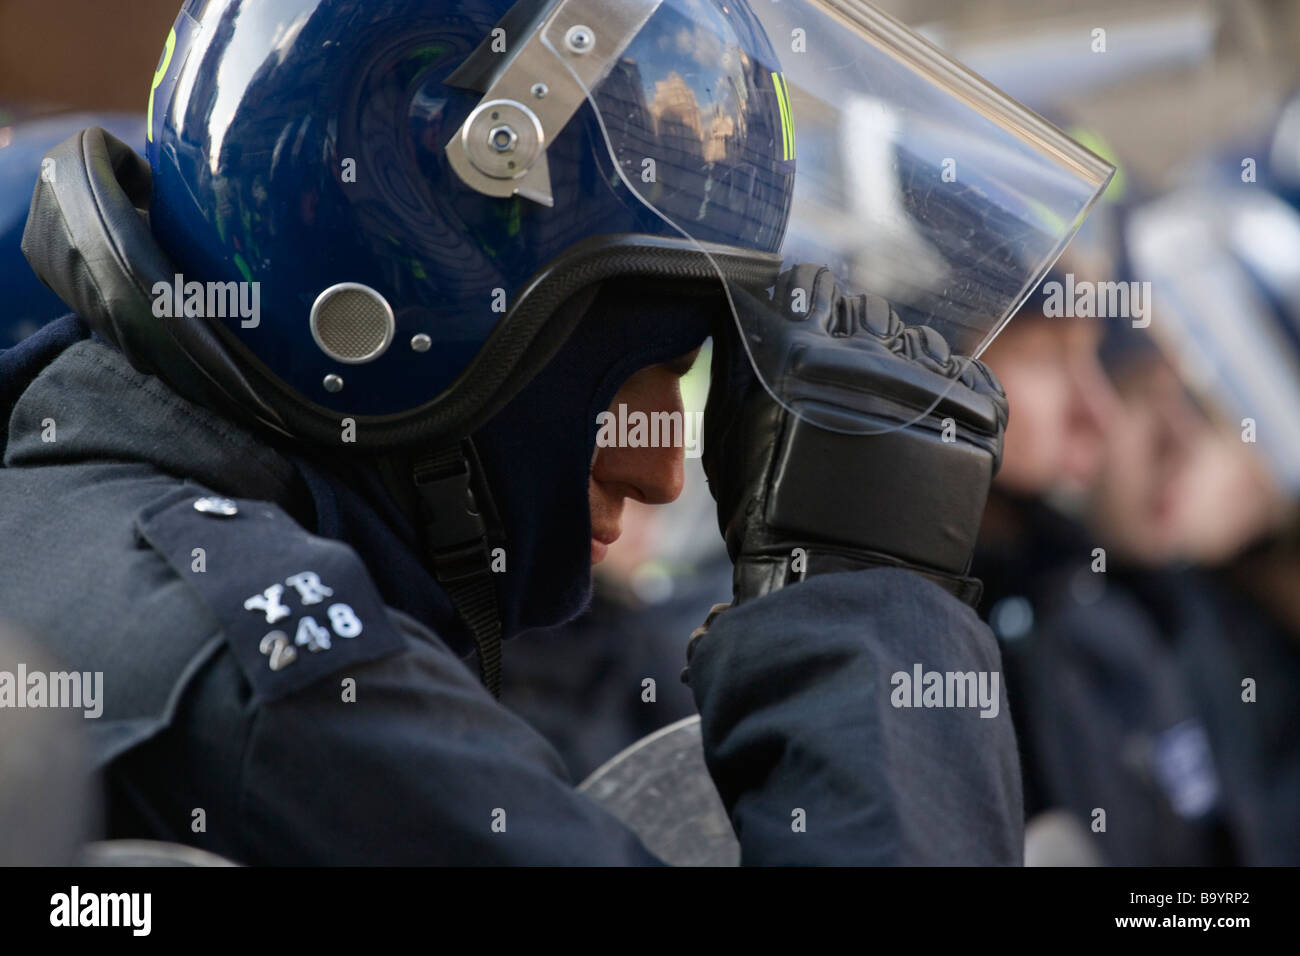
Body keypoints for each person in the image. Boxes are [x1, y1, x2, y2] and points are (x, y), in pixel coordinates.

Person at [0, 0, 1111, 865]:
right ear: (388, 310)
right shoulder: (281, 691)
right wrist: (865, 607)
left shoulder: (82, 517)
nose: (665, 468)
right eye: (634, 377)